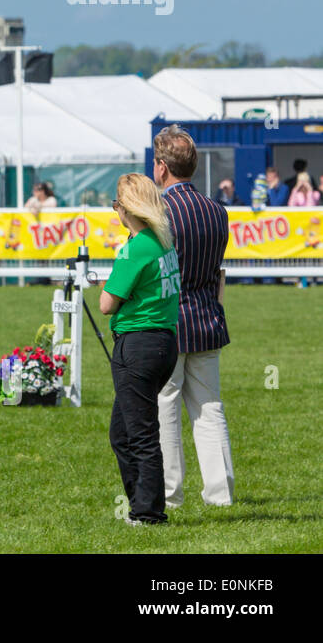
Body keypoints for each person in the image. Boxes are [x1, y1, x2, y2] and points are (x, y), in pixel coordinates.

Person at [152, 124, 234, 509]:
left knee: (164, 405)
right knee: (209, 408)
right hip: (207, 318)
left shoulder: (161, 212)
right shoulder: (218, 211)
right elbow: (217, 270)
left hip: (168, 320)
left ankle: (169, 494)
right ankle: (221, 493)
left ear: (162, 167)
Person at [99, 173, 180, 525]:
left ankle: (148, 513)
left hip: (138, 344)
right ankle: (141, 504)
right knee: (123, 432)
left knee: (141, 434)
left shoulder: (135, 248)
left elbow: (106, 304)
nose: (115, 211)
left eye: (117, 204)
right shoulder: (164, 241)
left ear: (126, 208)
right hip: (164, 341)